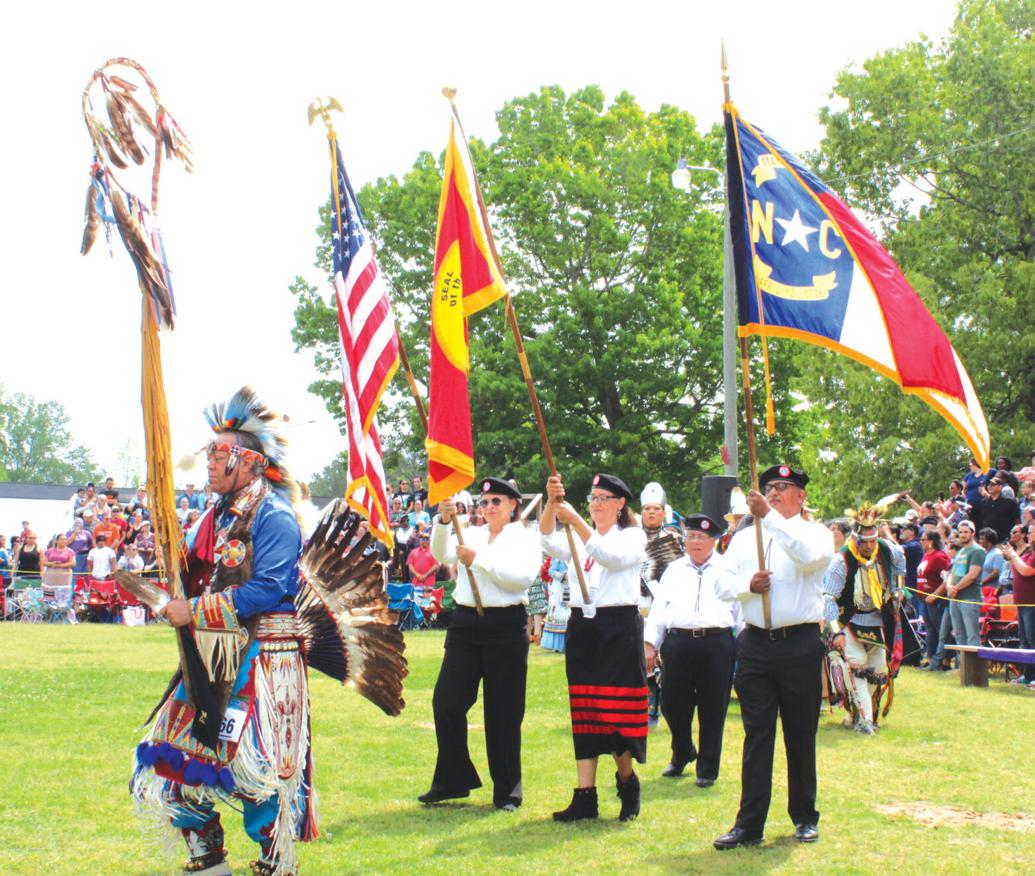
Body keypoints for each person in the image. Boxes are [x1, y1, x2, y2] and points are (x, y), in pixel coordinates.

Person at [131, 387, 314, 876]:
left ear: (250, 461)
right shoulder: (213, 518)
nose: (209, 463)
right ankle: (208, 863)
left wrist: (193, 609)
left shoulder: (274, 515)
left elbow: (271, 588)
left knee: (253, 771)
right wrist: (168, 561)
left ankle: (275, 864)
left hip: (262, 656)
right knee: (171, 765)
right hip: (210, 656)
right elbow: (189, 567)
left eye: (219, 454)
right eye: (208, 453)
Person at [713, 464, 833, 850]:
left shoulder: (816, 533)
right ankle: (749, 824)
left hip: (799, 641)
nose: (775, 493)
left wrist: (772, 520)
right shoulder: (745, 538)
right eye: (769, 487)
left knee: (800, 734)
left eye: (784, 487)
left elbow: (810, 559)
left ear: (801, 496)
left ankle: (804, 816)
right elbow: (721, 583)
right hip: (756, 643)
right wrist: (747, 586)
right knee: (757, 735)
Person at [419, 477, 540, 811]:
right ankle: (452, 780)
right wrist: (444, 521)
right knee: (446, 702)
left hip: (505, 625)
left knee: (504, 711)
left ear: (513, 505)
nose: (488, 508)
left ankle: (507, 791)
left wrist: (478, 561)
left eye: (496, 502)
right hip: (466, 625)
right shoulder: (469, 533)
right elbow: (440, 552)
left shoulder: (525, 538)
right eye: (484, 503)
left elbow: (522, 577)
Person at [541, 472, 647, 824]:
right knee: (585, 711)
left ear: (620, 504)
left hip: (618, 628)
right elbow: (545, 538)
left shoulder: (632, 536)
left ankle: (627, 781)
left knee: (614, 715)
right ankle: (585, 795)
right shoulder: (577, 536)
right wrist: (552, 503)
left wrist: (574, 522)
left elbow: (610, 557)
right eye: (592, 498)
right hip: (583, 628)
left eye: (604, 498)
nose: (596, 504)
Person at [644, 513, 738, 787]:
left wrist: (744, 643)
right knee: (672, 702)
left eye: (702, 537)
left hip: (717, 642)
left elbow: (740, 609)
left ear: (714, 540)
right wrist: (650, 643)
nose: (695, 542)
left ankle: (708, 768)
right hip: (679, 642)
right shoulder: (674, 570)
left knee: (713, 707)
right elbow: (659, 609)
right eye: (691, 536)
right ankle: (683, 751)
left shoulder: (727, 569)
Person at [822, 506, 906, 734]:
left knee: (877, 672)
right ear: (855, 538)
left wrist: (898, 588)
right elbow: (828, 598)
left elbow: (901, 562)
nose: (869, 546)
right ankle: (866, 720)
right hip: (849, 620)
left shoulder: (887, 551)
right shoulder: (841, 561)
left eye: (872, 541)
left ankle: (860, 714)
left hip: (879, 619)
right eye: (864, 542)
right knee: (856, 668)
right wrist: (836, 631)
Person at [1002, 525, 1035, 688]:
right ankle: (1027, 675)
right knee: (1025, 641)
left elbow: (1026, 571)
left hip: (1032, 603)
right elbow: (1015, 569)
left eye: (1031, 532)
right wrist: (1011, 556)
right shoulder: (1029, 554)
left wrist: (1013, 555)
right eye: (1028, 532)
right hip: (1022, 602)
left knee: (1033, 640)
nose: (1029, 535)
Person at [946, 520, 985, 648]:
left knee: (972, 635)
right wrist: (949, 586)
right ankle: (961, 665)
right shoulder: (961, 551)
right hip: (955, 597)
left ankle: (974, 667)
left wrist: (955, 588)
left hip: (970, 598)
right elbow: (953, 572)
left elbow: (972, 575)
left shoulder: (977, 551)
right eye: (961, 532)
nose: (963, 535)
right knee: (958, 634)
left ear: (973, 533)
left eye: (966, 532)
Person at [916, 531, 951, 670]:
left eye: (923, 539)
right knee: (930, 629)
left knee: (940, 630)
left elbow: (947, 578)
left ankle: (944, 661)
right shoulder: (926, 555)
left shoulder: (940, 556)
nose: (921, 542)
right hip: (924, 597)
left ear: (931, 541)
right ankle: (930, 659)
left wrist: (936, 595)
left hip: (936, 599)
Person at [541, 557, 570, 652]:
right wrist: (563, 575)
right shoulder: (558, 556)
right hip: (559, 590)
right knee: (559, 614)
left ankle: (569, 644)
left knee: (569, 613)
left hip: (570, 587)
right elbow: (551, 571)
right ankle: (558, 645)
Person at [980, 476, 1019, 544]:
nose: (990, 486)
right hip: (987, 540)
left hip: (1003, 540)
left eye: (993, 485)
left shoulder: (1009, 502)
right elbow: (981, 519)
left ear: (1000, 487)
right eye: (989, 485)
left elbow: (1017, 520)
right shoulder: (984, 502)